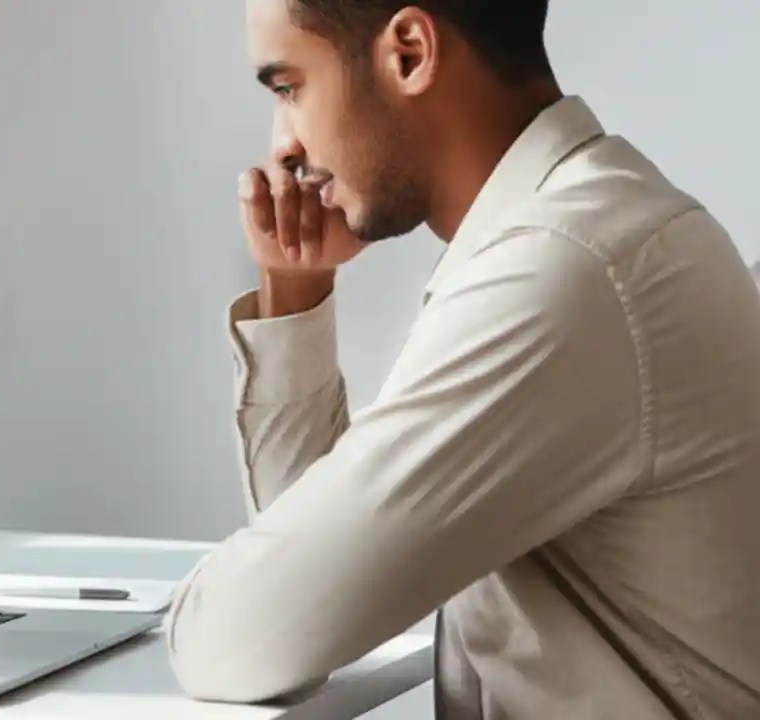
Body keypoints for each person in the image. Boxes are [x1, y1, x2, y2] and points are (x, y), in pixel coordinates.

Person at [164, 1, 760, 717]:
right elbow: (300, 611)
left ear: (410, 52)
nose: (283, 145)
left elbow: (242, 637)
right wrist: (294, 292)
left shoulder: (561, 274)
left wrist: (235, 607)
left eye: (290, 89)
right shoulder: (584, 229)